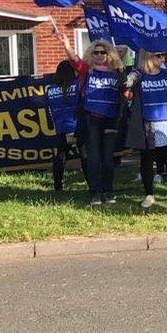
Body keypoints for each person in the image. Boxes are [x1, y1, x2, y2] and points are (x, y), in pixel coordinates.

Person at [56, 33, 126, 206]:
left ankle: (108, 191)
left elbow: (125, 91)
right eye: (96, 52)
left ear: (109, 54)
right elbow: (74, 60)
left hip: (110, 118)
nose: (100, 55)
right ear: (91, 55)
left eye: (103, 52)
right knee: (93, 157)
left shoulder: (116, 72)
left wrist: (120, 69)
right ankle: (95, 192)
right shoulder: (86, 71)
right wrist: (66, 45)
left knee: (108, 158)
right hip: (91, 118)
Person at [126, 50, 167, 209]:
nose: (163, 58)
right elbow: (125, 84)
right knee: (146, 160)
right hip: (147, 125)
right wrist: (124, 67)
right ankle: (149, 194)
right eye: (158, 55)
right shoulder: (139, 76)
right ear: (148, 57)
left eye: (163, 55)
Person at [45, 60, 85, 192]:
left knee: (61, 156)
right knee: (85, 155)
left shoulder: (50, 90)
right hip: (77, 125)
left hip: (60, 126)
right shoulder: (77, 85)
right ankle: (93, 185)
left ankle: (58, 186)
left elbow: (50, 108)